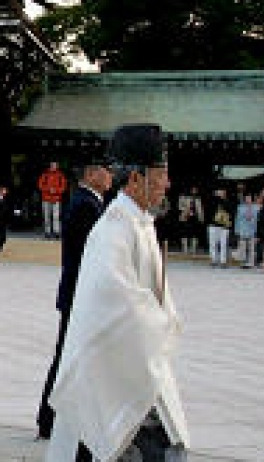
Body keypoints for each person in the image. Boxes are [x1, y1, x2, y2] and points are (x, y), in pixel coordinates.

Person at [47, 124, 190, 461]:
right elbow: (116, 310)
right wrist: (163, 324)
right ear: (136, 179)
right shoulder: (111, 231)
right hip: (112, 380)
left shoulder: (140, 224)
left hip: (136, 370)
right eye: (161, 174)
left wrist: (165, 320)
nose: (167, 183)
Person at [37, 159, 112, 441]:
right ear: (92, 173)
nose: (111, 177)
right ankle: (49, 418)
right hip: (80, 295)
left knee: (68, 358)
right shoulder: (85, 205)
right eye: (107, 172)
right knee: (66, 359)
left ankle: (52, 418)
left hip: (79, 294)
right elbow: (88, 257)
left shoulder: (88, 201)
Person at [38, 162, 68, 239]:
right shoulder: (45, 175)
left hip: (56, 199)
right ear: (50, 166)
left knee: (56, 216)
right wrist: (49, 190)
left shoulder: (60, 175)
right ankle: (47, 232)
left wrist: (56, 190)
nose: (54, 167)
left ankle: (56, 232)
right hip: (46, 198)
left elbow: (64, 186)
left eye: (55, 165)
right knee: (46, 216)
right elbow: (40, 185)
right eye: (52, 165)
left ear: (57, 166)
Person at [207, 188, 233, 268]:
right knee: (212, 243)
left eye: (222, 191)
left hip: (224, 226)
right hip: (213, 225)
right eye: (219, 191)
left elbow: (230, 210)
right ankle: (213, 260)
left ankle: (223, 261)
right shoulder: (212, 200)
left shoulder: (228, 201)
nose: (220, 193)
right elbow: (209, 209)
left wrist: (222, 199)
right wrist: (216, 197)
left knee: (223, 244)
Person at [175, 187, 204, 255]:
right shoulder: (183, 197)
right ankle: (185, 248)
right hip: (185, 217)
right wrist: (186, 210)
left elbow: (200, 209)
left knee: (194, 233)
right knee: (185, 232)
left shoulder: (198, 199)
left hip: (194, 218)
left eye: (196, 190)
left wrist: (201, 217)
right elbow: (180, 206)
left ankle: (193, 249)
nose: (194, 191)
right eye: (193, 190)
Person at [235, 193, 259, 269]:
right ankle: (242, 262)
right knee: (242, 247)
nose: (248, 200)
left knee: (251, 247)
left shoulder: (256, 207)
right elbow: (238, 219)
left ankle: (251, 263)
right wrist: (237, 229)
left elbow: (257, 219)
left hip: (252, 230)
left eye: (249, 198)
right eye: (247, 198)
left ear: (252, 199)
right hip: (243, 229)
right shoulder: (240, 207)